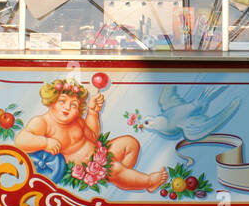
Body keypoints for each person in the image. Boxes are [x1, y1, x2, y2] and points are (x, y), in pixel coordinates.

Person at [17, 78, 167, 192]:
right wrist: (45, 143)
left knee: (130, 143)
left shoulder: (76, 121)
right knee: (113, 168)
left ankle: (121, 178)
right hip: (84, 168)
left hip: (100, 156)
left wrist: (93, 112)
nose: (68, 107)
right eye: (62, 101)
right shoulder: (43, 122)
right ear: (51, 101)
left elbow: (92, 136)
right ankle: (147, 182)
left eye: (74, 104)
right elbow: (21, 140)